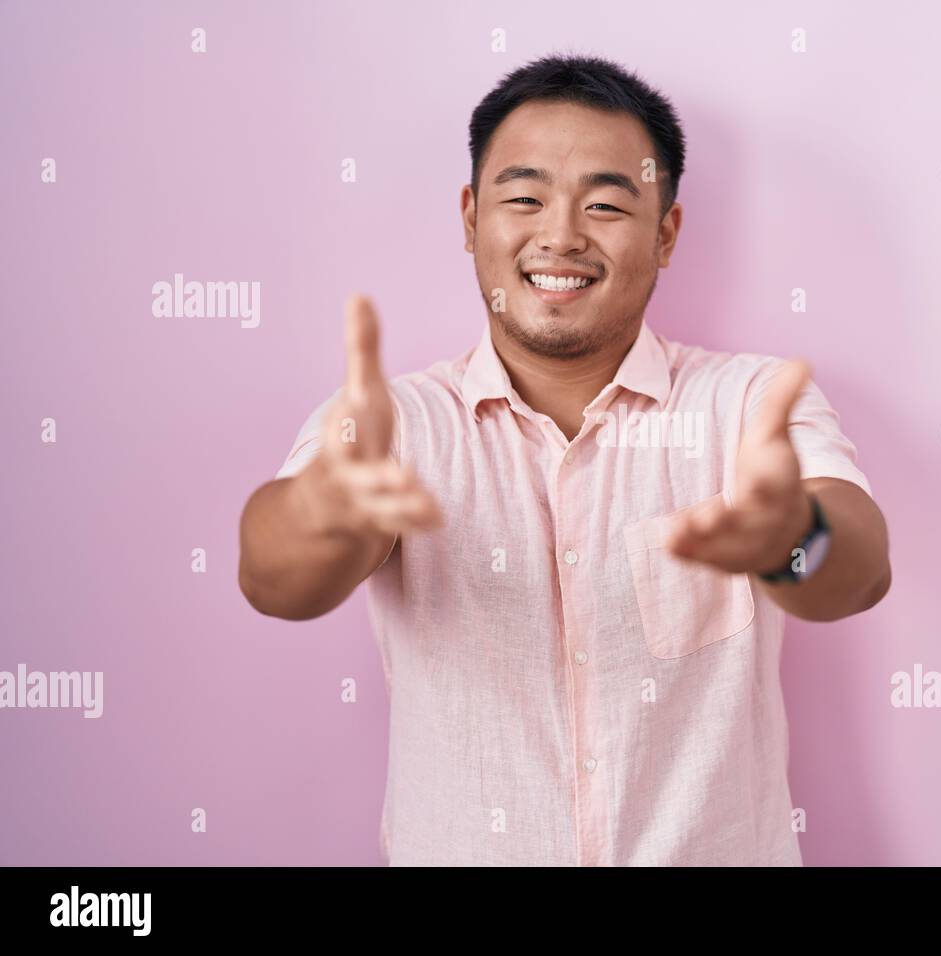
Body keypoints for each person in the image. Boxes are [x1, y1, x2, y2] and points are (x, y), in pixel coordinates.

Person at [238, 54, 891, 866]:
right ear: (472, 218)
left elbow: (855, 574)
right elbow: (275, 581)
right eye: (524, 197)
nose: (562, 235)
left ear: (665, 234)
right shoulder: (392, 423)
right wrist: (316, 518)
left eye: (607, 204)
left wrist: (796, 536)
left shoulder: (750, 405)